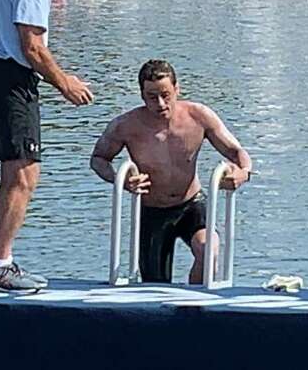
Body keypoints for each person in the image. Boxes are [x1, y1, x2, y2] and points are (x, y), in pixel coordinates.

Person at [0, 0, 95, 290]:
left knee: (17, 173)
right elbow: (32, 47)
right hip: (10, 77)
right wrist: (65, 84)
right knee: (24, 175)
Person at [90, 60, 252, 284]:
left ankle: (195, 305)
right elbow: (98, 159)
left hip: (191, 204)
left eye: (165, 95)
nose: (159, 103)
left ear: (177, 89)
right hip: (152, 210)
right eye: (151, 96)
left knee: (208, 251)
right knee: (155, 285)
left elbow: (236, 151)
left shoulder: (199, 116)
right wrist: (121, 180)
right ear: (142, 95)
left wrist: (243, 172)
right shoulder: (125, 126)